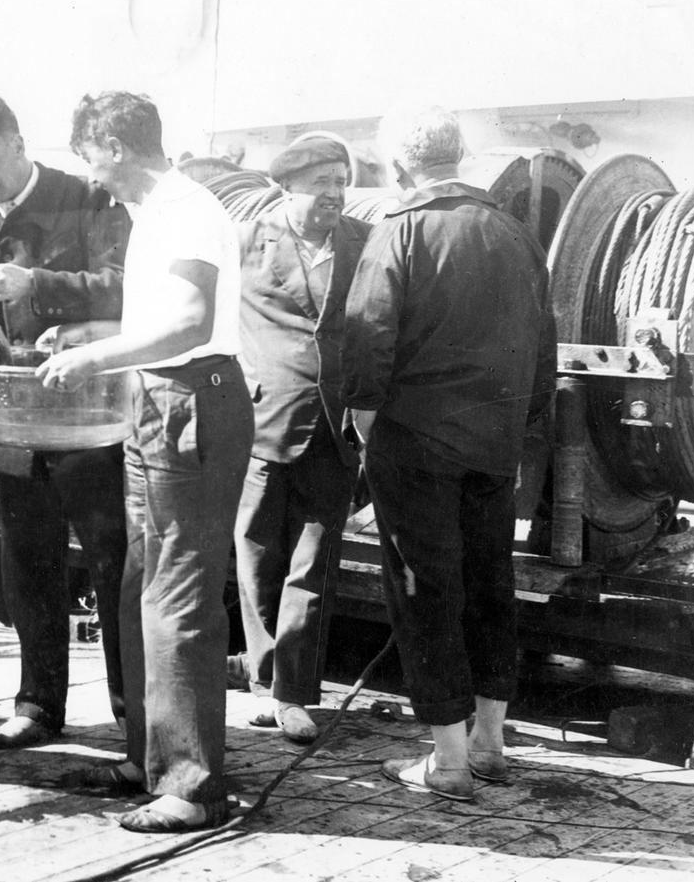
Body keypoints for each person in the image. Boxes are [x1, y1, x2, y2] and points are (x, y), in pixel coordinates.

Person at [38, 91, 252, 832]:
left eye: (92, 159)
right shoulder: (155, 213)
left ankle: (193, 787)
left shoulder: (188, 209)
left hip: (190, 402)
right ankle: (148, 757)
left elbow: (191, 322)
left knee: (178, 595)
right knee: (142, 587)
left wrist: (94, 358)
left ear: (116, 146)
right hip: (157, 401)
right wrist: (88, 337)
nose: (92, 177)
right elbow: (160, 318)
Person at [341, 105, 555, 801]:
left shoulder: (399, 231)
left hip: (414, 445)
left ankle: (449, 762)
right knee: (491, 584)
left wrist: (368, 427)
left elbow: (366, 338)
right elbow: (544, 351)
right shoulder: (515, 234)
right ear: (457, 157)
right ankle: (491, 744)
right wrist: (512, 427)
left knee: (425, 591)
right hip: (493, 445)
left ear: (399, 165)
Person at [0, 93, 131, 749]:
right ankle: (38, 705)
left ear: (19, 143)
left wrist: (36, 283)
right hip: (15, 428)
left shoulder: (89, 198)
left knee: (111, 562)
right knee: (27, 561)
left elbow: (123, 284)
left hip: (90, 422)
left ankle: (132, 709)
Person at [228, 138, 370, 741]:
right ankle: (264, 682)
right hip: (263, 422)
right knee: (258, 556)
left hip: (335, 428)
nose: (335, 193)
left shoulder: (366, 243)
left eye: (340, 181)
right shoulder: (245, 242)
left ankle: (293, 694)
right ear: (288, 188)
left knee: (313, 564)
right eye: (322, 183)